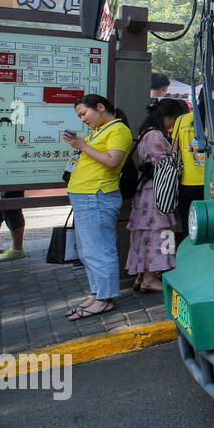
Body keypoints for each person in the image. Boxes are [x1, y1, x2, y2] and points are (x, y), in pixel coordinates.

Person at [62, 94, 131, 320]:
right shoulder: (98, 131)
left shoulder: (118, 131)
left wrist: (82, 145)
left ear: (100, 107)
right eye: (80, 115)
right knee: (88, 251)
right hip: (86, 196)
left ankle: (104, 298)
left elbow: (112, 161)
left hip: (97, 196)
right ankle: (98, 294)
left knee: (98, 250)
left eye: (84, 113)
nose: (83, 119)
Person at [127, 99, 188, 293]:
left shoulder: (147, 133)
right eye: (176, 119)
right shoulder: (155, 135)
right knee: (160, 233)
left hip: (149, 191)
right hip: (157, 191)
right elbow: (160, 163)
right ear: (167, 117)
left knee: (146, 234)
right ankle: (150, 278)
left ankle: (142, 276)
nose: (176, 124)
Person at [172, 106, 207, 236]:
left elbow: (174, 150)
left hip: (188, 181)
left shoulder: (181, 120)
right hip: (212, 181)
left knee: (189, 223)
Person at [0, 190, 26, 262]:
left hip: (7, 183)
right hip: (3, 183)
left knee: (10, 210)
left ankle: (17, 249)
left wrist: (4, 189)